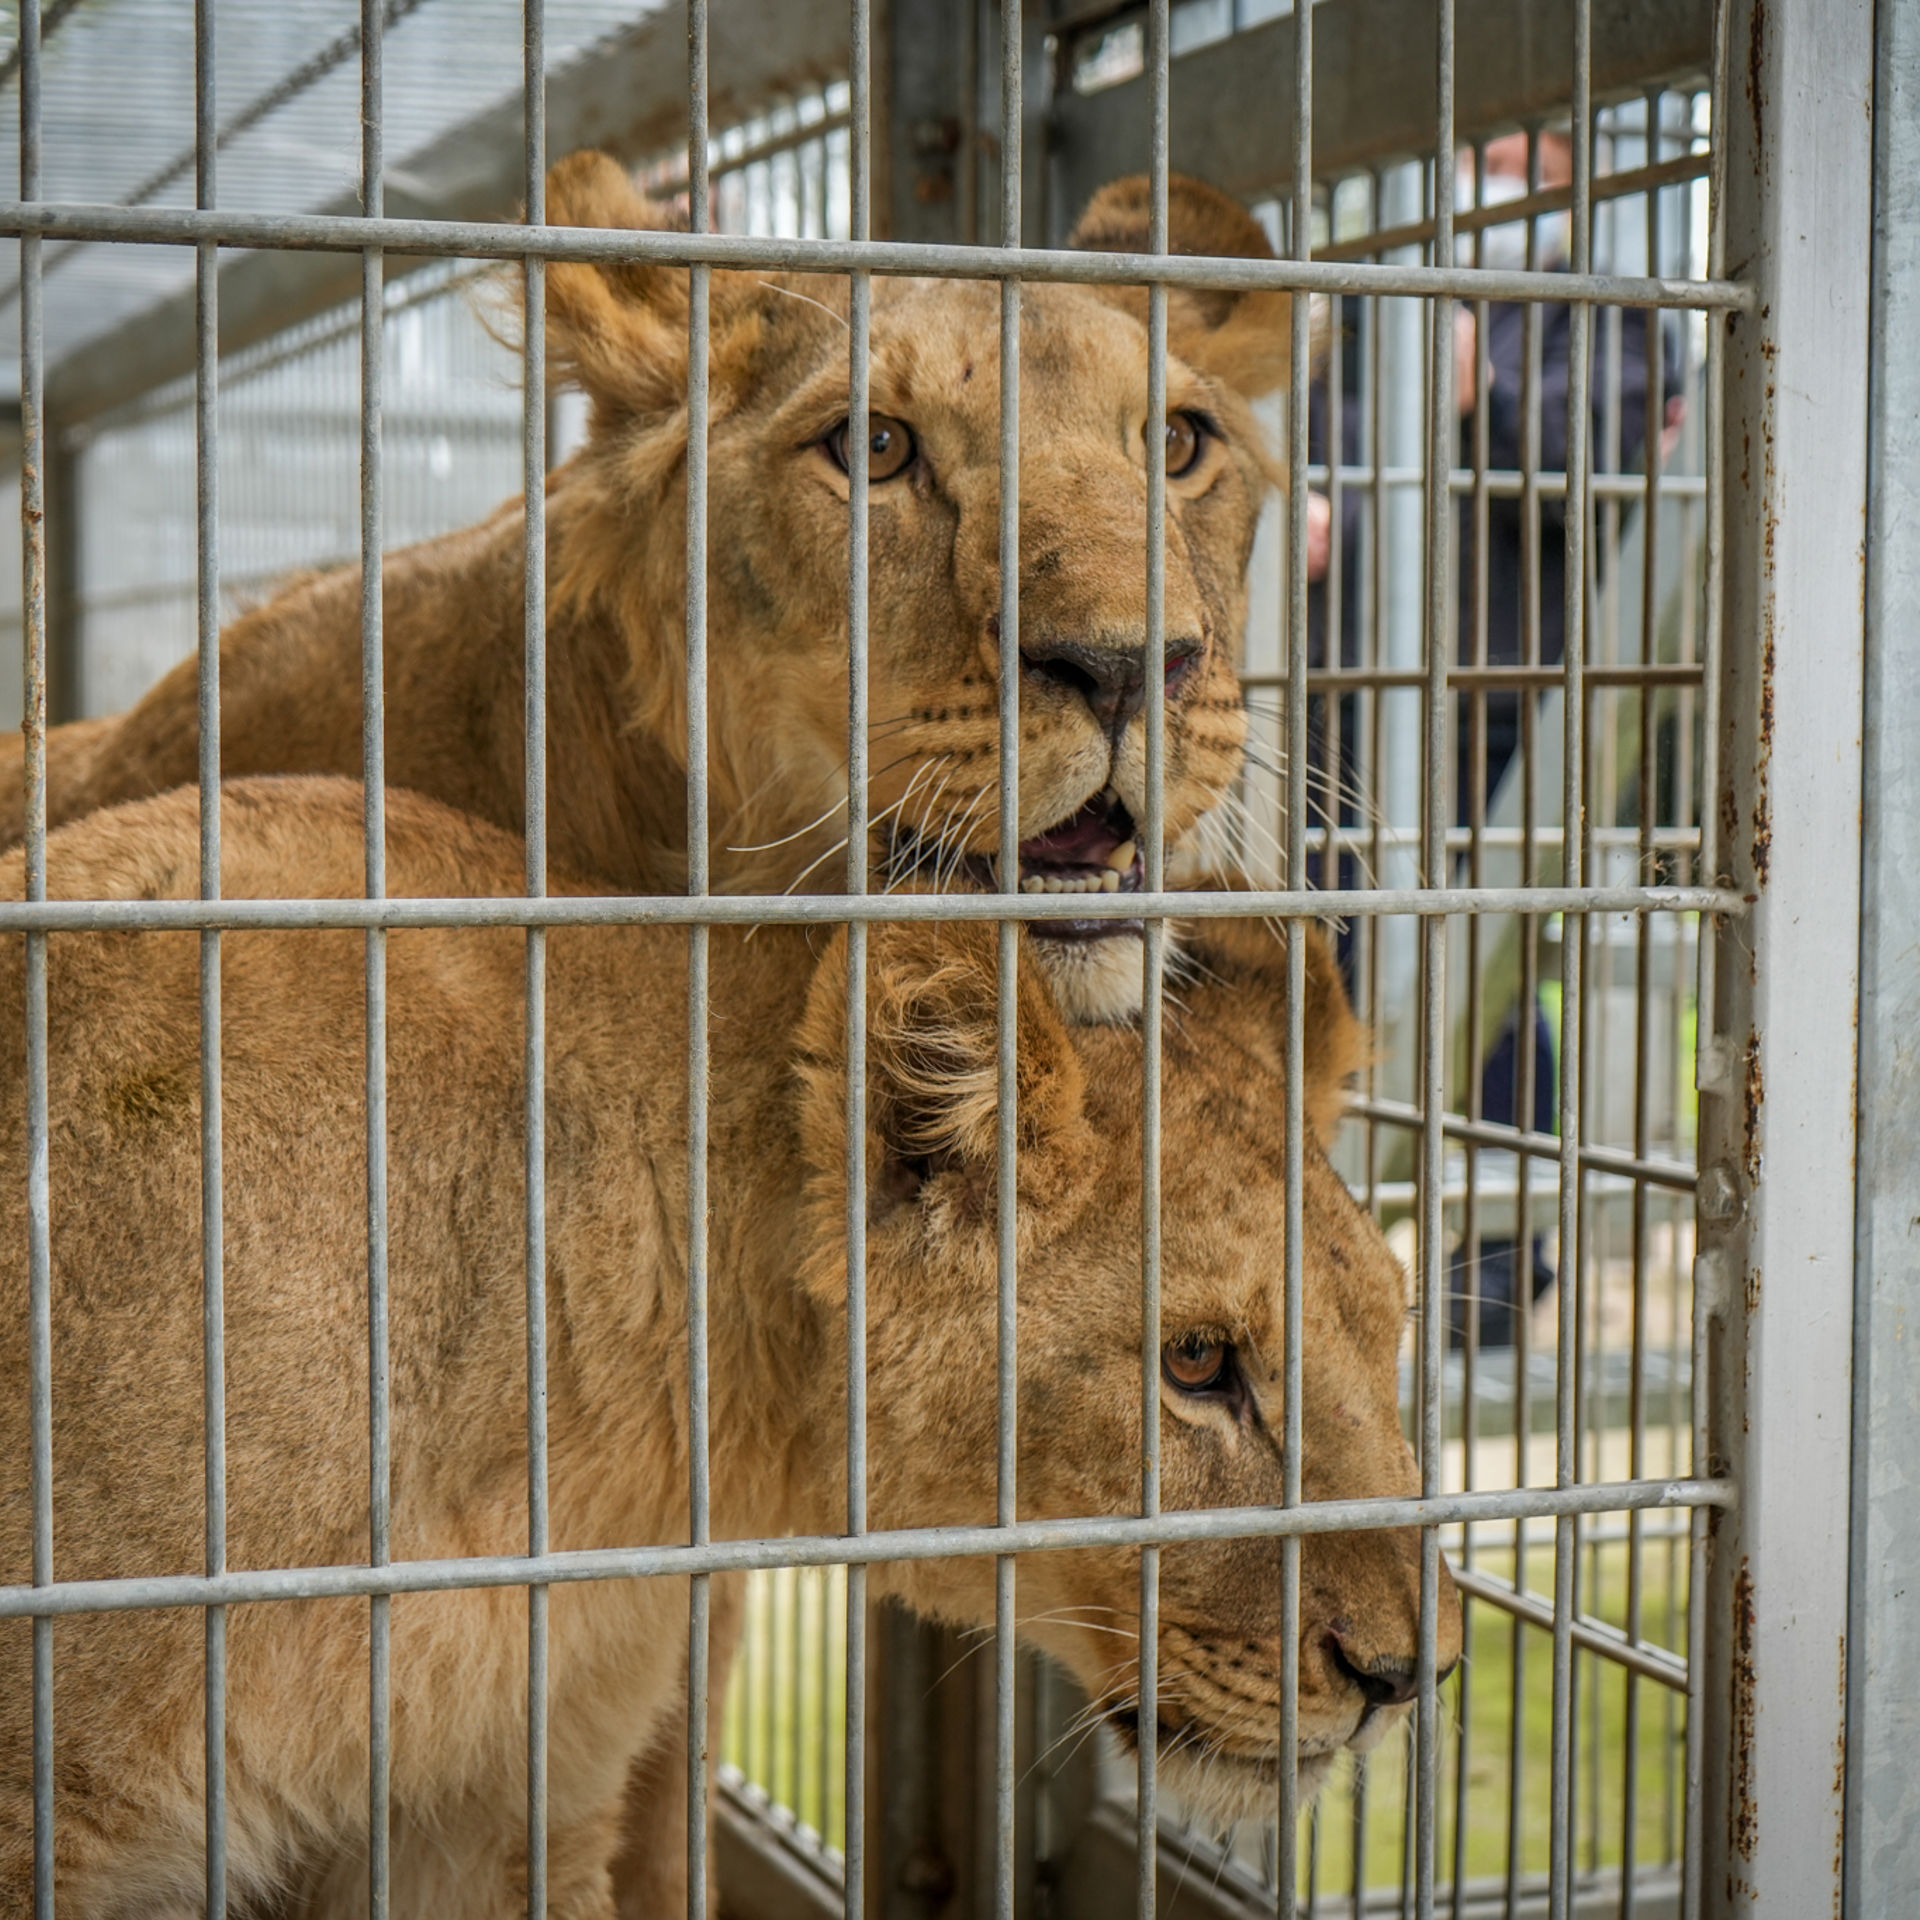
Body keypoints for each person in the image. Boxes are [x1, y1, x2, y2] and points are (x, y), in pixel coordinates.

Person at [1303, 130, 1685, 1348]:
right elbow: (1313, 429)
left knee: (1493, 994)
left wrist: (1480, 390)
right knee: (1325, 974)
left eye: (1521, 157)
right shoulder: (1371, 298)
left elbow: (1613, 468)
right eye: (1478, 153)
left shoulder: (1604, 320)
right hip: (1343, 711)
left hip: (1500, 726)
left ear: (1575, 169)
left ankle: (1498, 1288)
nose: (1490, 177)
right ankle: (1314, 1269)